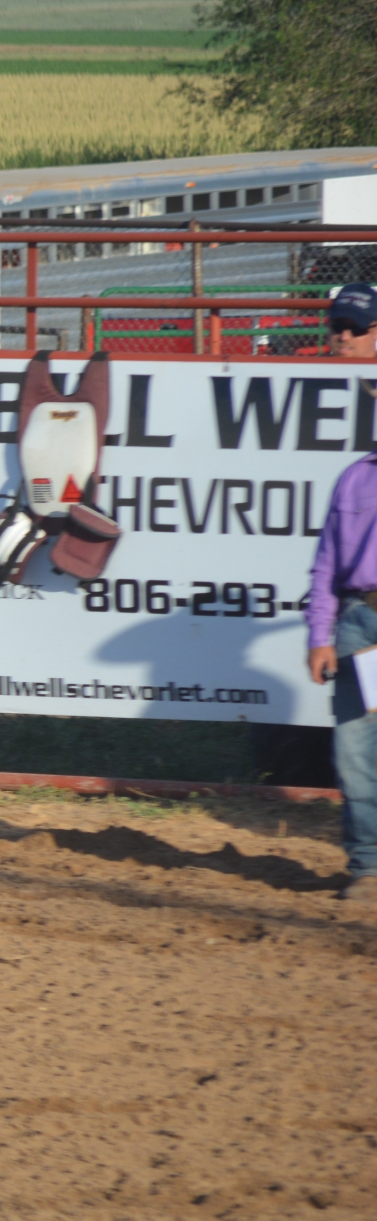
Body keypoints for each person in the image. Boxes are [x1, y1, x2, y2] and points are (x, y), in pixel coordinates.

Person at [303, 281, 377, 897]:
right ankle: (368, 867)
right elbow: (325, 564)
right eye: (339, 328)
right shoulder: (354, 480)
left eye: (356, 328)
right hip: (359, 625)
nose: (344, 337)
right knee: (355, 752)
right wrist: (319, 634)